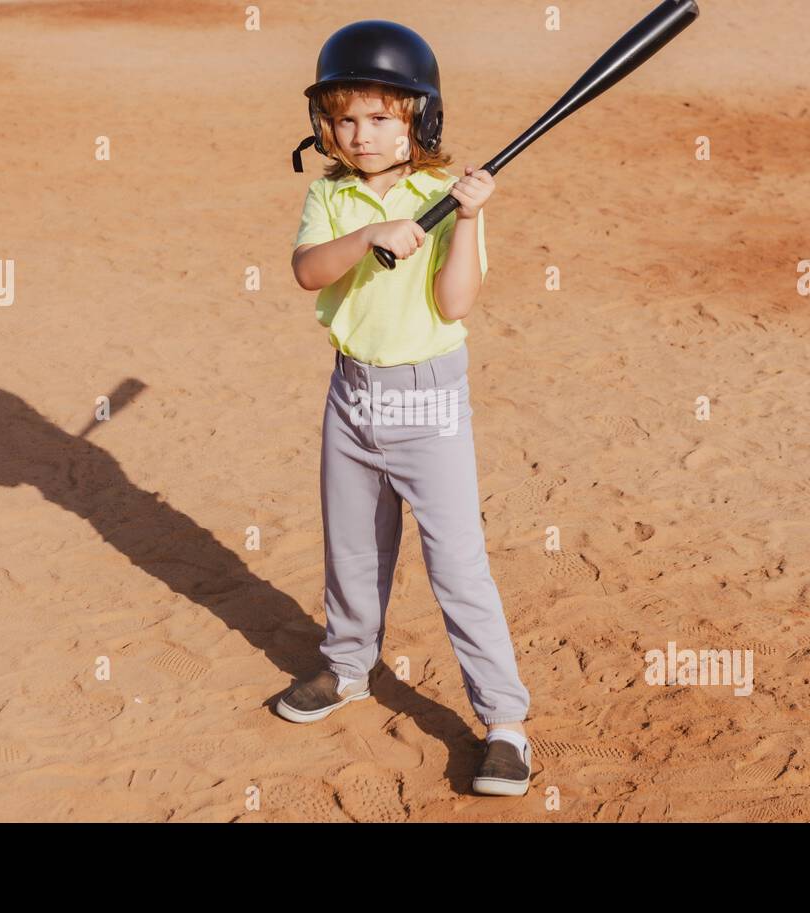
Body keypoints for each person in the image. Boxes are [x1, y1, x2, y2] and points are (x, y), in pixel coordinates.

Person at [279, 20, 532, 797]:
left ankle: (505, 725)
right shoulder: (330, 195)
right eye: (346, 117)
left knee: (458, 565)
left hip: (430, 404)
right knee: (353, 549)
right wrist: (369, 234)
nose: (361, 133)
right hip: (351, 396)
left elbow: (457, 303)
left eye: (382, 116)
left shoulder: (443, 194)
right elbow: (306, 271)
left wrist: (469, 219)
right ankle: (349, 668)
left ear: (418, 117)